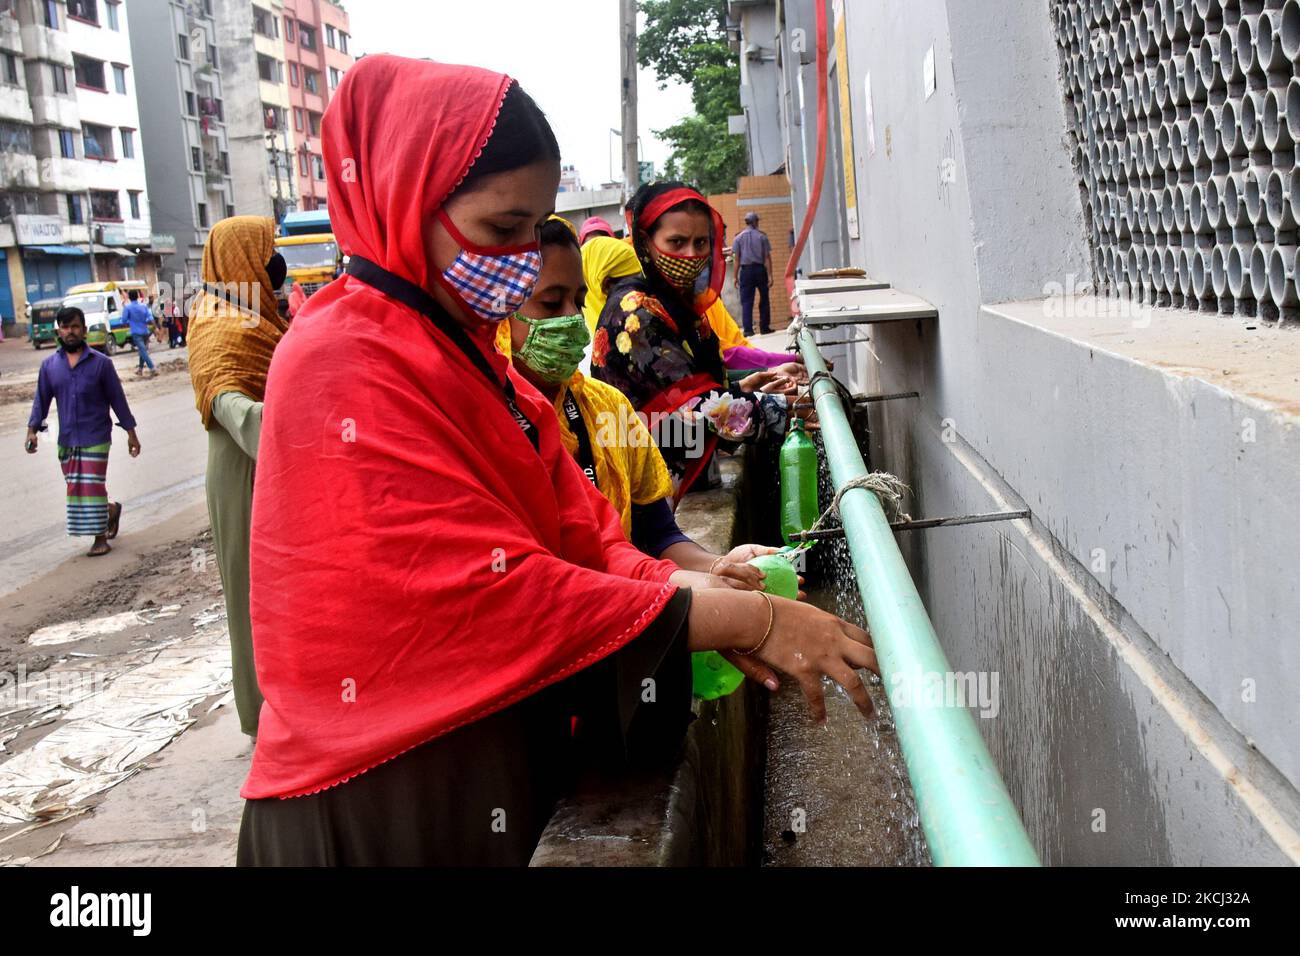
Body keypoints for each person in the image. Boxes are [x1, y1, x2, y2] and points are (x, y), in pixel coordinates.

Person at [235, 55, 876, 867]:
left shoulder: (473, 360)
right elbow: (491, 595)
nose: (517, 259)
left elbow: (587, 539)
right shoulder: (344, 360)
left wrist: (702, 586)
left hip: (488, 772)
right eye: (500, 231)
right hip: (377, 798)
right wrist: (757, 618)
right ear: (403, 197)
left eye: (531, 231)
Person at [500, 217, 781, 590]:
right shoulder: (487, 425)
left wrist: (719, 566)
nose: (570, 318)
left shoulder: (606, 408)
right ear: (498, 314)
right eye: (551, 303)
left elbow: (659, 537)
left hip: (635, 610)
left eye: (579, 301)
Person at [593, 181, 800, 501]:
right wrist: (782, 411)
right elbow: (696, 407)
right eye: (676, 242)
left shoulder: (680, 305)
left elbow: (687, 388)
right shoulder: (636, 314)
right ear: (646, 243)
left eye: (701, 242)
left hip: (684, 479)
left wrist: (743, 389)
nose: (691, 255)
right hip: (650, 499)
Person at [187, 216, 289, 739]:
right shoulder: (217, 323)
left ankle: (290, 700)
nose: (277, 266)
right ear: (241, 260)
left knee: (285, 590)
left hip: (272, 463)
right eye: (265, 253)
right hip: (242, 469)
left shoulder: (257, 316)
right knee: (254, 595)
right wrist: (297, 420)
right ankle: (263, 714)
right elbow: (229, 403)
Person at [25, 307, 140, 557]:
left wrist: (131, 433)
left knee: (93, 486)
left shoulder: (102, 364)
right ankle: (110, 511)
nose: (70, 332)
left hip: (96, 436)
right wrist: (32, 430)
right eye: (65, 327)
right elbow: (40, 401)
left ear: (84, 330)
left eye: (75, 326)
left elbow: (117, 399)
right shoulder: (49, 367)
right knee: (77, 488)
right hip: (67, 438)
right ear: (58, 331)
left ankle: (100, 538)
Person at [732, 211, 774, 335]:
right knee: (764, 298)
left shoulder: (738, 238)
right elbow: (767, 257)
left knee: (746, 301)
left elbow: (737, 259)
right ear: (755, 222)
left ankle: (748, 330)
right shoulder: (762, 237)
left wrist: (735, 276)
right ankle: (764, 327)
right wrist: (770, 275)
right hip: (760, 270)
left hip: (746, 271)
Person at [122, 289, 156, 376]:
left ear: (129, 297)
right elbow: (150, 318)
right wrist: (155, 328)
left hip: (136, 332)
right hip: (145, 332)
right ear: (137, 296)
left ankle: (152, 368)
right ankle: (140, 370)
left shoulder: (128, 307)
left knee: (143, 351)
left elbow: (124, 320)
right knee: (142, 350)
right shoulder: (144, 306)